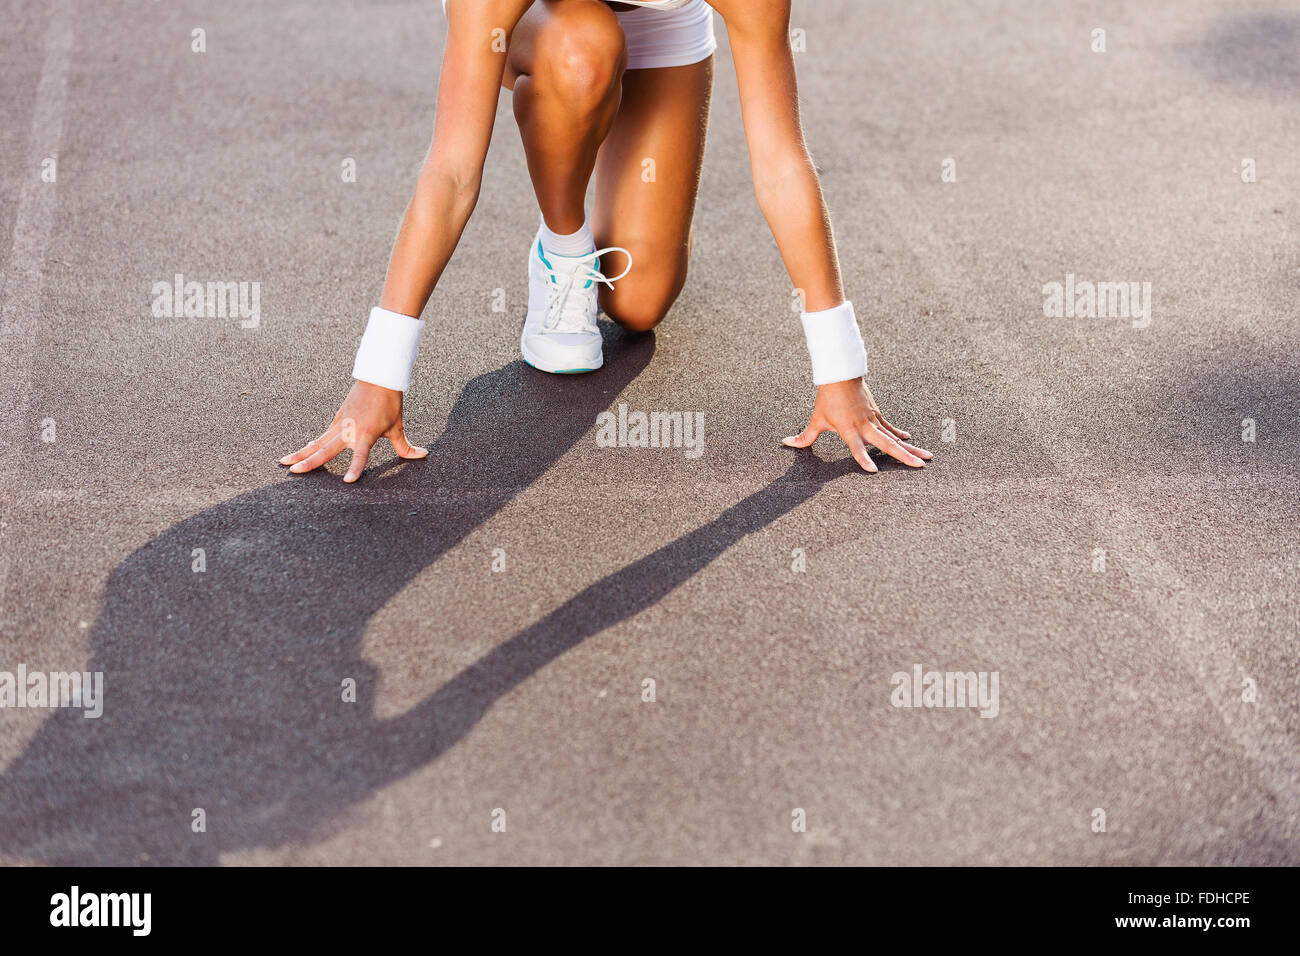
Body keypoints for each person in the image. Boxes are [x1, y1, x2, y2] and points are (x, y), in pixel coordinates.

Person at [281, 0, 932, 482]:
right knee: (583, 50)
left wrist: (840, 370)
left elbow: (781, 161)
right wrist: (379, 375)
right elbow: (451, 170)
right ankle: (563, 243)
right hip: (545, 24)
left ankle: (623, 199)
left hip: (663, 26)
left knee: (639, 304)